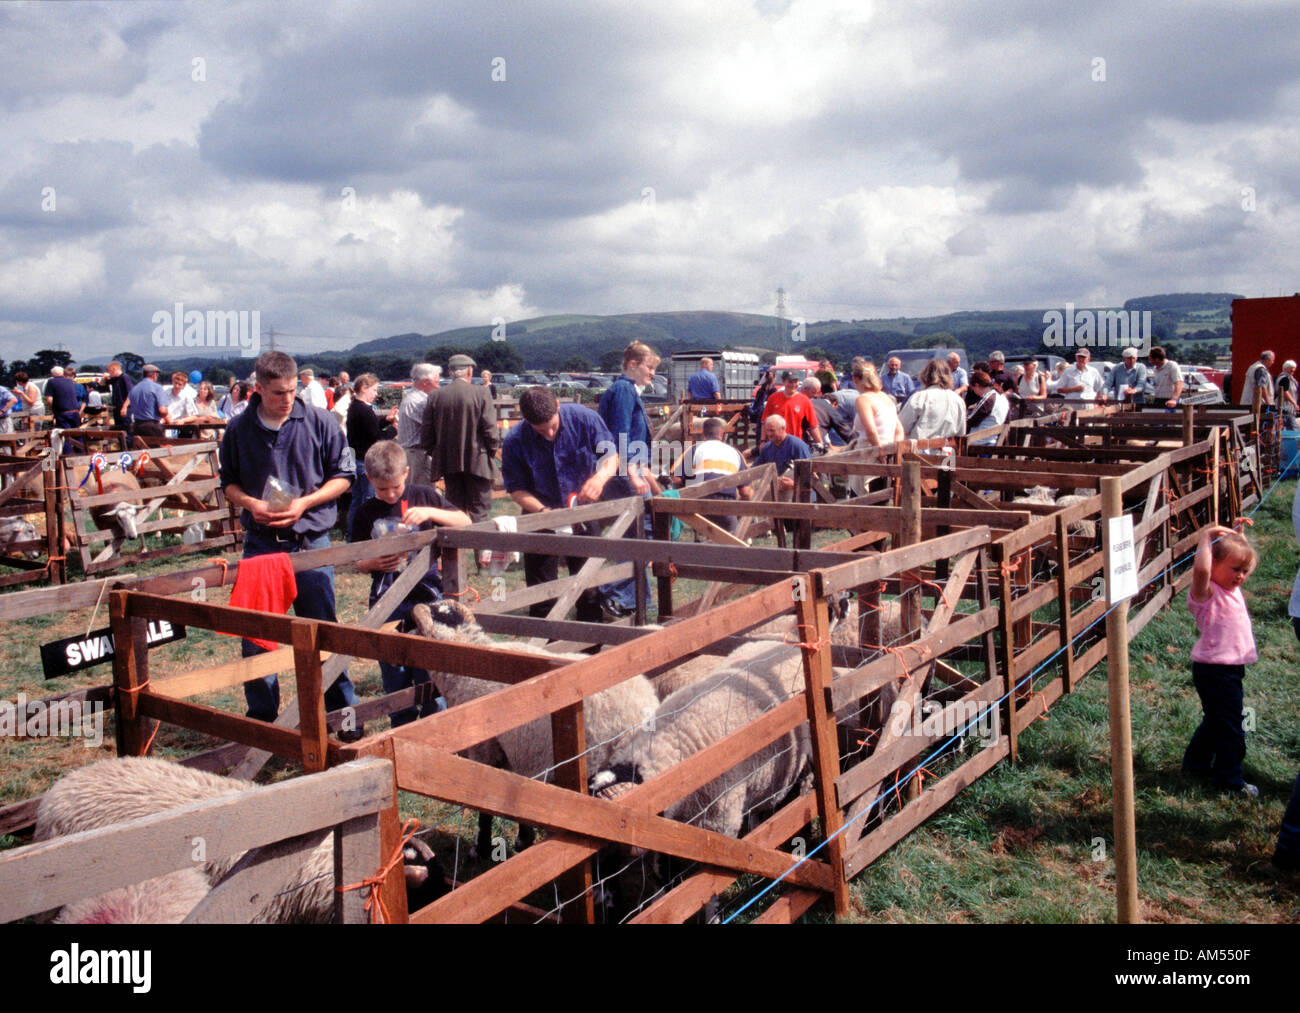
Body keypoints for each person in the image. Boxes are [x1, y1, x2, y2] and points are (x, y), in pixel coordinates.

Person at [217, 350, 359, 728]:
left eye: (292, 391)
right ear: (258, 388)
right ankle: (263, 724)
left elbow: (343, 476)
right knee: (258, 636)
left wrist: (306, 503)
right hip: (262, 544)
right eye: (278, 393)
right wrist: (250, 503)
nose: (286, 400)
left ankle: (342, 716)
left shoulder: (321, 421)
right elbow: (227, 481)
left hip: (311, 540)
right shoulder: (237, 429)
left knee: (322, 630)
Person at [349, 440, 470, 727]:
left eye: (395, 487)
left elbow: (465, 520)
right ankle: (400, 724)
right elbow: (356, 559)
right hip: (387, 598)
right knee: (393, 664)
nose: (390, 495)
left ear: (406, 472)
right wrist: (372, 564)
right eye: (382, 489)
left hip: (426, 593)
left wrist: (431, 513)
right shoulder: (365, 512)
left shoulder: (425, 496)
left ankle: (435, 724)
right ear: (369, 480)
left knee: (431, 665)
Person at [500, 386, 623, 622]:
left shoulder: (585, 419)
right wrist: (545, 513)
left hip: (584, 510)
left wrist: (599, 478)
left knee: (589, 585)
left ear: (558, 406)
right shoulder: (515, 440)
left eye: (552, 426)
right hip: (541, 513)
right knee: (541, 591)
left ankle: (591, 644)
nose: (548, 433)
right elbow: (516, 488)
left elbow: (611, 456)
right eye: (540, 430)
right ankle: (544, 646)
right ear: (526, 420)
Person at [1182, 522, 1258, 796]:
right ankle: (1230, 781)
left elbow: (1241, 558)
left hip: (1228, 669)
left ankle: (1195, 764)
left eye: (1244, 571)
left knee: (1215, 720)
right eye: (1235, 570)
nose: (1241, 576)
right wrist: (1205, 538)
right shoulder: (1206, 593)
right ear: (1213, 564)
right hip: (1216, 671)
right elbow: (1202, 568)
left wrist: (1237, 537)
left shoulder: (1231, 588)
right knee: (1232, 730)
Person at [597, 342, 659, 614]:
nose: (652, 373)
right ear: (632, 364)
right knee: (641, 530)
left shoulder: (627, 390)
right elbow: (619, 435)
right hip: (624, 472)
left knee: (637, 533)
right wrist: (633, 473)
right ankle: (615, 594)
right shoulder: (623, 390)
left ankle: (628, 599)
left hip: (628, 469)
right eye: (649, 367)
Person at [421, 353, 500, 522]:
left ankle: (456, 548)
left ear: (450, 372)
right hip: (478, 460)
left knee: (454, 514)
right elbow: (491, 431)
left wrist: (437, 454)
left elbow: (426, 436)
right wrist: (490, 453)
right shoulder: (481, 393)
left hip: (449, 463)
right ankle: (481, 548)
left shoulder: (435, 396)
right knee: (480, 513)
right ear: (470, 371)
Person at [674, 415, 750, 534]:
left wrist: (690, 480)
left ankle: (698, 536)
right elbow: (745, 492)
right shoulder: (736, 453)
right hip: (726, 503)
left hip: (699, 502)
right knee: (732, 539)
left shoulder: (694, 449)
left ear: (703, 434)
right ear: (721, 433)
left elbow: (676, 480)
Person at [347, 373, 397, 535]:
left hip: (356, 459)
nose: (376, 394)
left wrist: (386, 420)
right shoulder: (365, 410)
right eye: (374, 390)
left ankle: (352, 535)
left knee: (356, 501)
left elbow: (369, 429)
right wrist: (393, 429)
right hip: (365, 462)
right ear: (364, 388)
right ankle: (365, 535)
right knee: (368, 501)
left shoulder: (355, 407)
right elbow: (376, 438)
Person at [899, 359, 966, 440]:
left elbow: (902, 426)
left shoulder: (919, 397)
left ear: (925, 375)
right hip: (948, 450)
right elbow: (961, 431)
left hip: (920, 450)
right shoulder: (958, 400)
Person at [397, 363, 440, 486]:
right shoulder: (419, 401)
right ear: (426, 382)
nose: (437, 386)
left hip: (415, 454)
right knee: (419, 495)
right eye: (436, 382)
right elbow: (435, 426)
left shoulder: (412, 398)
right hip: (416, 455)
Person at [761, 371, 823, 447]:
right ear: (783, 382)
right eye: (790, 382)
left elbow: (813, 425)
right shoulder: (773, 398)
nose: (793, 385)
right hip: (775, 444)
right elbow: (764, 421)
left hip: (795, 443)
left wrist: (820, 443)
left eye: (795, 382)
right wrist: (762, 441)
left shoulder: (805, 400)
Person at [851, 363, 903, 448]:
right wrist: (894, 452)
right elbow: (899, 431)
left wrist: (880, 454)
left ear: (855, 379)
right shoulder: (885, 397)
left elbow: (871, 430)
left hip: (868, 451)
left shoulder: (863, 399)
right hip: (889, 449)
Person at [121, 363, 167, 439]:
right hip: (152, 426)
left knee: (141, 449)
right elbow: (162, 410)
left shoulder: (134, 389)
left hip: (137, 426)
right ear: (154, 375)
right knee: (160, 449)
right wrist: (165, 414)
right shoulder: (157, 388)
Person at [805, 377, 852, 446]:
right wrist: (854, 442)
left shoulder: (812, 403)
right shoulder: (827, 406)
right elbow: (842, 427)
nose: (815, 395)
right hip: (814, 441)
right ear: (834, 403)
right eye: (814, 392)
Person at [966, 370, 1009, 442]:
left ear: (976, 385)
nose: (974, 392)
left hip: (979, 442)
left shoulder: (988, 399)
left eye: (973, 389)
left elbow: (971, 421)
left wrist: (969, 410)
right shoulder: (1002, 398)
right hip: (993, 440)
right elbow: (1007, 420)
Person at [104, 362, 133, 431]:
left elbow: (130, 394)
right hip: (116, 407)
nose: (110, 374)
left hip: (124, 407)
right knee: (118, 429)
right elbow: (103, 384)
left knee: (126, 428)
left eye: (110, 371)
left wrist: (124, 407)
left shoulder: (124, 378)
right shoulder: (115, 379)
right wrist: (105, 377)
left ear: (114, 369)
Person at [1276, 359, 1297, 431]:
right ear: (1285, 368)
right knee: (1293, 427)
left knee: (1284, 427)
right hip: (1286, 407)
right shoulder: (1285, 378)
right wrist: (1294, 403)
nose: (1293, 369)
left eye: (1294, 368)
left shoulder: (1289, 379)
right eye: (1291, 367)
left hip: (1287, 407)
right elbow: (1285, 392)